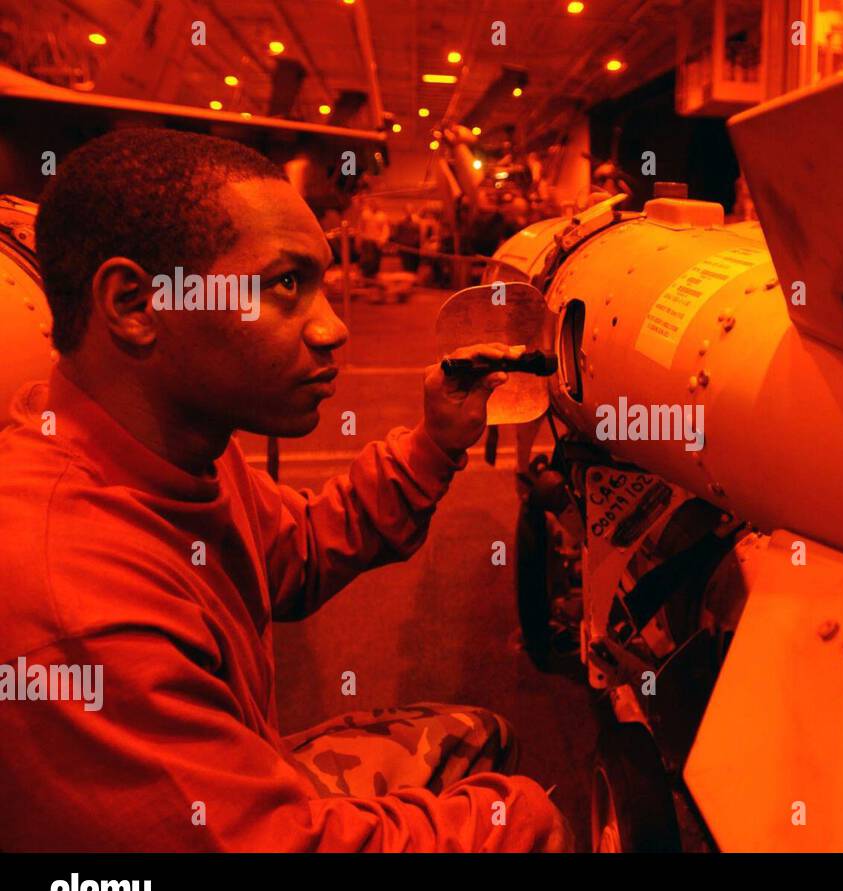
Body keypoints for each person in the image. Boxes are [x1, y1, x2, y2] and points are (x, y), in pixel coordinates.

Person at [0, 128, 572, 852]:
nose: (332, 327)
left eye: (323, 285)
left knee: (475, 739)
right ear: (136, 303)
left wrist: (434, 442)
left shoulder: (180, 451)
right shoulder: (71, 603)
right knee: (515, 817)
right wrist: (525, 820)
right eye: (284, 285)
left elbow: (293, 551)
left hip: (223, 780)